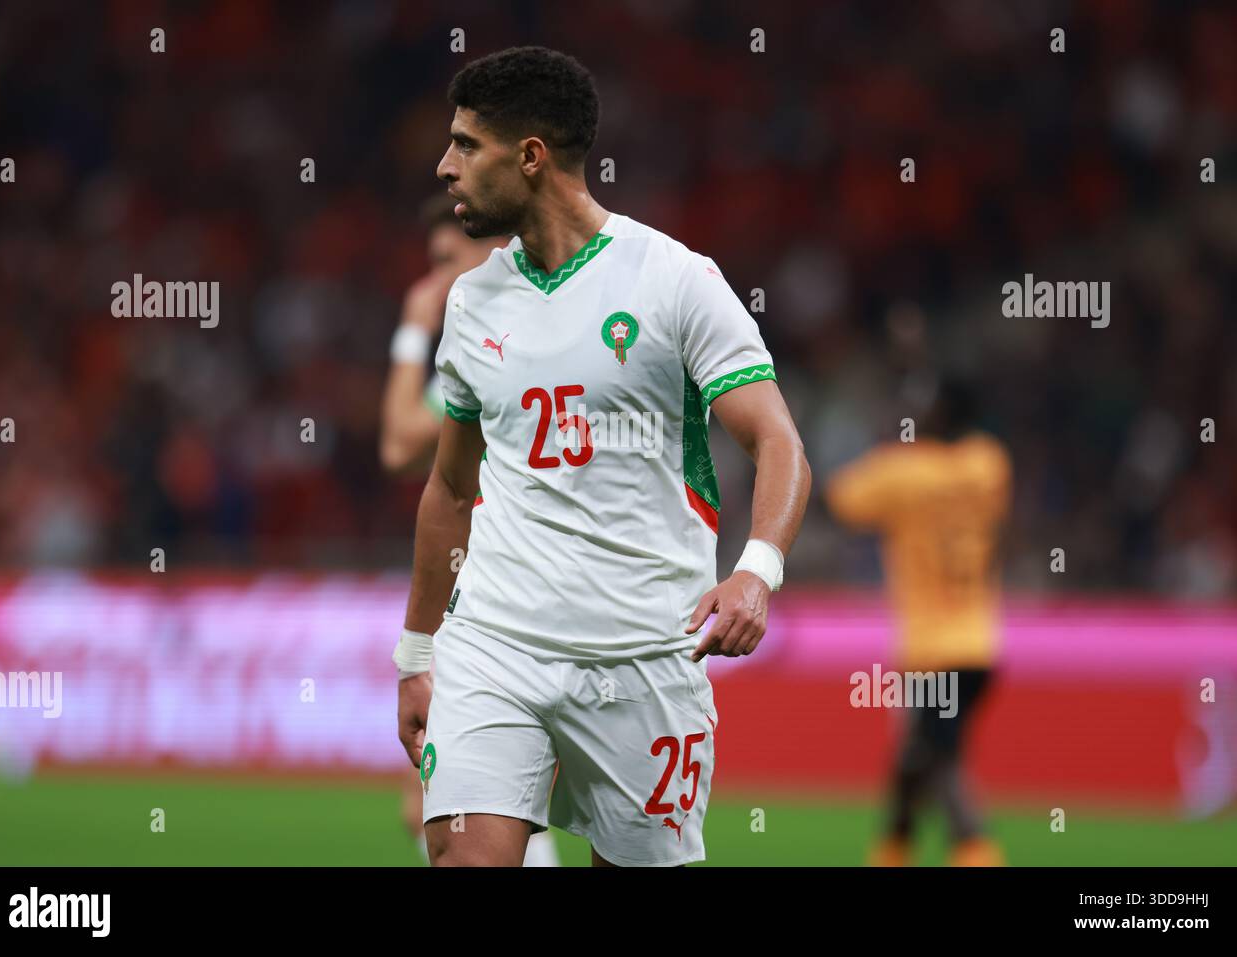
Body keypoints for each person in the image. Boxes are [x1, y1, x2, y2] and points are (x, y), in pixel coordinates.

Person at [393, 46, 811, 867]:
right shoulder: (473, 301)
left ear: (531, 156)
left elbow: (777, 440)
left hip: (645, 655)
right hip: (495, 645)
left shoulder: (676, 280)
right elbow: (448, 486)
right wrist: (415, 654)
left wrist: (757, 570)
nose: (446, 167)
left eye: (466, 145)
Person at [379, 195, 558, 865]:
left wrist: (411, 327)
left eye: (446, 261)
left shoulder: (506, 347)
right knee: (479, 817)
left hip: (518, 606)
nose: (432, 281)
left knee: (471, 809)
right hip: (486, 601)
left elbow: (398, 443)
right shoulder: (480, 353)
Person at [825, 380, 1011, 866]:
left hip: (931, 650)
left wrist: (889, 437)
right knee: (916, 759)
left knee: (941, 763)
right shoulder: (988, 464)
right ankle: (892, 851)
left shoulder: (901, 473)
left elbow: (839, 497)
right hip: (981, 644)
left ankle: (976, 853)